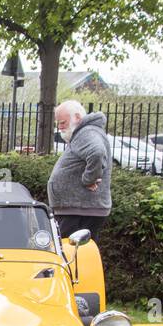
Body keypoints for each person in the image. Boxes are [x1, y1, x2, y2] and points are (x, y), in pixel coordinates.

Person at [47, 99, 111, 240]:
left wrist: (89, 179)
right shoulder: (86, 132)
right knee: (75, 255)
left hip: (79, 210)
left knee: (70, 256)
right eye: (58, 123)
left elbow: (97, 153)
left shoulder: (86, 132)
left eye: (63, 122)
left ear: (77, 117)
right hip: (79, 208)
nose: (60, 127)